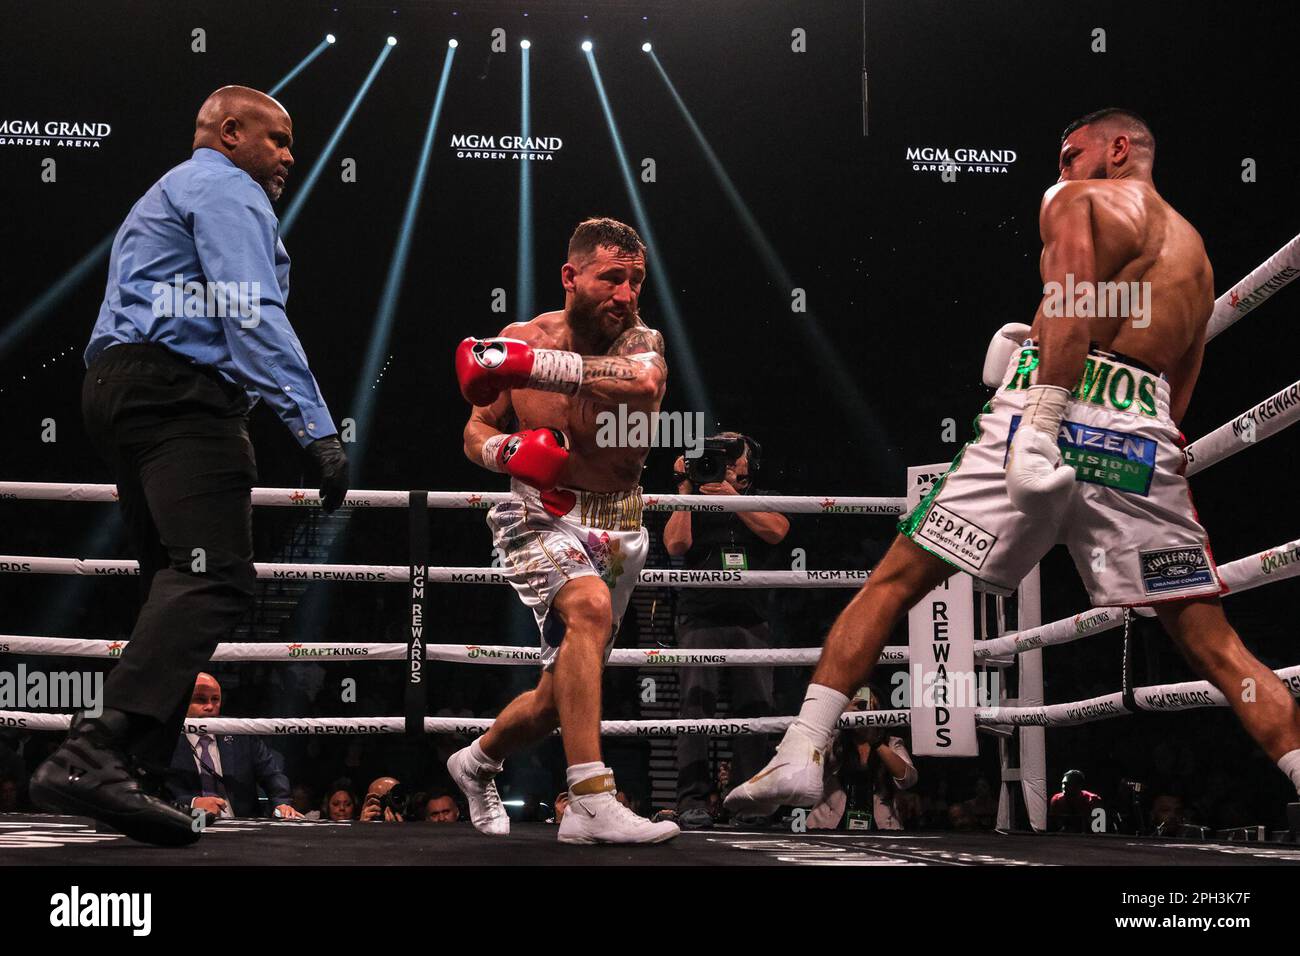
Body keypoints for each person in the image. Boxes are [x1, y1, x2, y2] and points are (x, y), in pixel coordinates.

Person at [727, 108, 1300, 816]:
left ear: (1118, 148)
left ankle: (802, 753)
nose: (1059, 170)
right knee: (1214, 643)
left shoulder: (1076, 200)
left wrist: (1046, 413)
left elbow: (1071, 304)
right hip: (1138, 437)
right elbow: (1175, 397)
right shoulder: (1198, 257)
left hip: (1045, 410)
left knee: (894, 582)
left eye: (1070, 153)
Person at [30, 85, 349, 846]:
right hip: (179, 397)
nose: (289, 157)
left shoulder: (168, 191)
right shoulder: (225, 186)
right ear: (231, 132)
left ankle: (125, 772)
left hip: (120, 391)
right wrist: (316, 428)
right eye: (278, 139)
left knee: (172, 580)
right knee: (214, 576)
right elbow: (250, 311)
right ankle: (95, 750)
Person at [447, 217, 679, 845]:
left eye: (636, 280)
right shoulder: (518, 336)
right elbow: (475, 430)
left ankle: (476, 762)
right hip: (539, 511)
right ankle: (592, 794)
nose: (626, 294)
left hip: (621, 523)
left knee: (557, 701)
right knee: (587, 607)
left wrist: (528, 366)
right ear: (570, 277)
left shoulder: (640, 344)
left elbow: (646, 382)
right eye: (612, 278)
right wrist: (505, 453)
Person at [663, 433, 788, 829]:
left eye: (734, 453)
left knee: (754, 711)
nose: (727, 461)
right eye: (720, 454)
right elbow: (675, 545)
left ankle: (748, 803)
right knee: (695, 709)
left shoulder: (761, 495)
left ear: (749, 462)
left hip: (751, 618)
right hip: (701, 616)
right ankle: (692, 803)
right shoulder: (694, 494)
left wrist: (731, 496)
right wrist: (687, 488)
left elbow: (777, 531)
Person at [163, 673, 300, 819]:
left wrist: (281, 804)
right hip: (189, 824)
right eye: (200, 699)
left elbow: (272, 774)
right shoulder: (165, 740)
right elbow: (154, 792)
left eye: (215, 699)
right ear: (183, 702)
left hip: (243, 827)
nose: (209, 706)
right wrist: (192, 803)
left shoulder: (239, 732)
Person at [807, 686, 917, 831]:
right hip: (829, 825)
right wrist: (838, 719)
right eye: (859, 706)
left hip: (880, 828)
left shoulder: (892, 744)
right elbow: (810, 765)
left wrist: (876, 742)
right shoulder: (833, 741)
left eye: (867, 706)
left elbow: (908, 779)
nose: (862, 713)